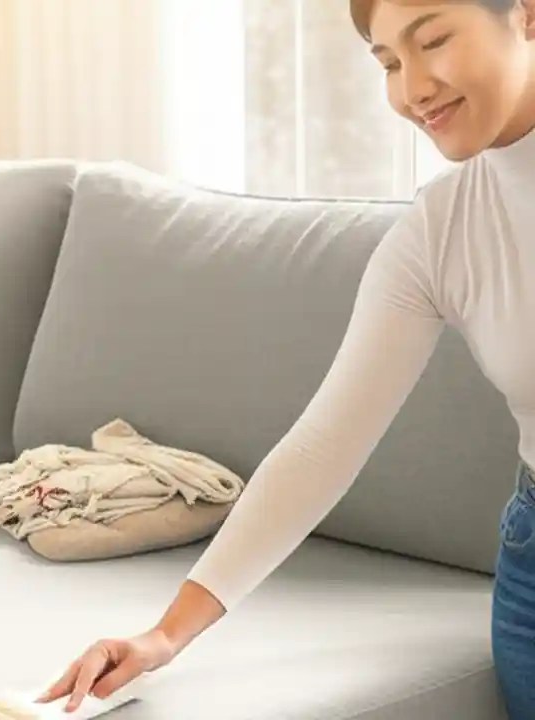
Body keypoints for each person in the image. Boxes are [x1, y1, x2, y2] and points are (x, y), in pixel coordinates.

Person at [37, 0, 535, 716]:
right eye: (390, 62)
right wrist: (164, 636)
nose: (413, 88)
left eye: (434, 40)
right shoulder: (438, 233)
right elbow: (323, 448)